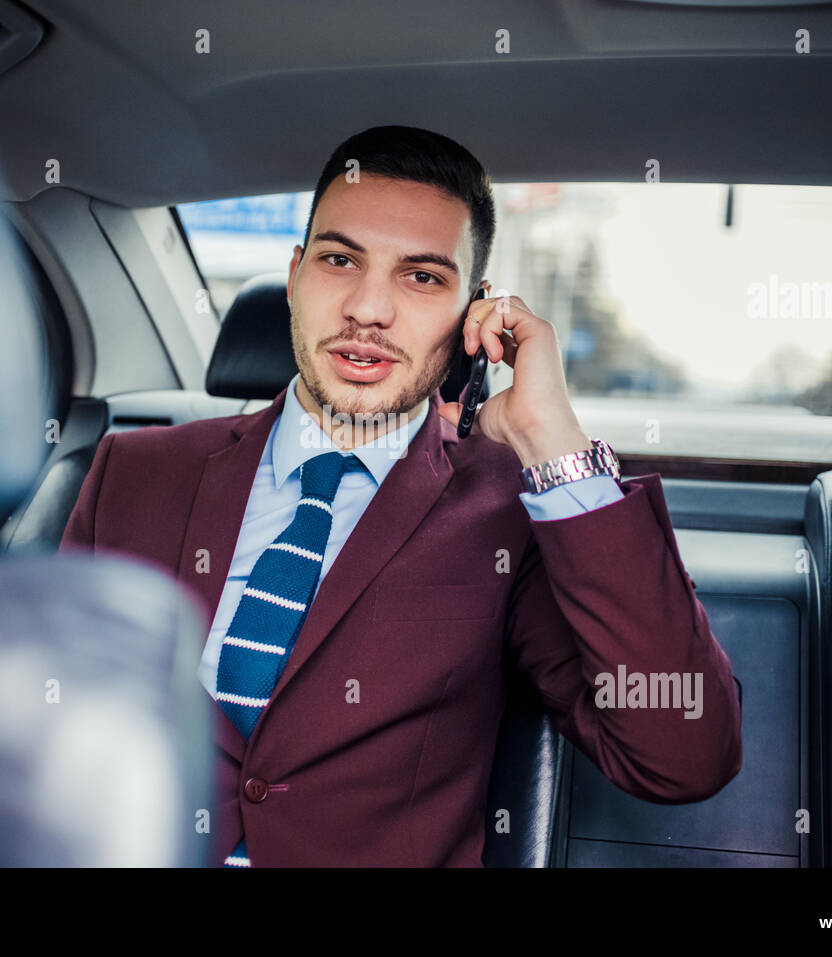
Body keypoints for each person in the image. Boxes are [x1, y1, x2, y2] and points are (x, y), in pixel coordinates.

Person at [60, 125, 742, 867]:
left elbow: (685, 749)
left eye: (421, 277)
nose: (369, 308)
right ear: (294, 274)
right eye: (339, 259)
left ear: (476, 315)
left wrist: (554, 442)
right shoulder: (133, 469)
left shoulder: (511, 510)